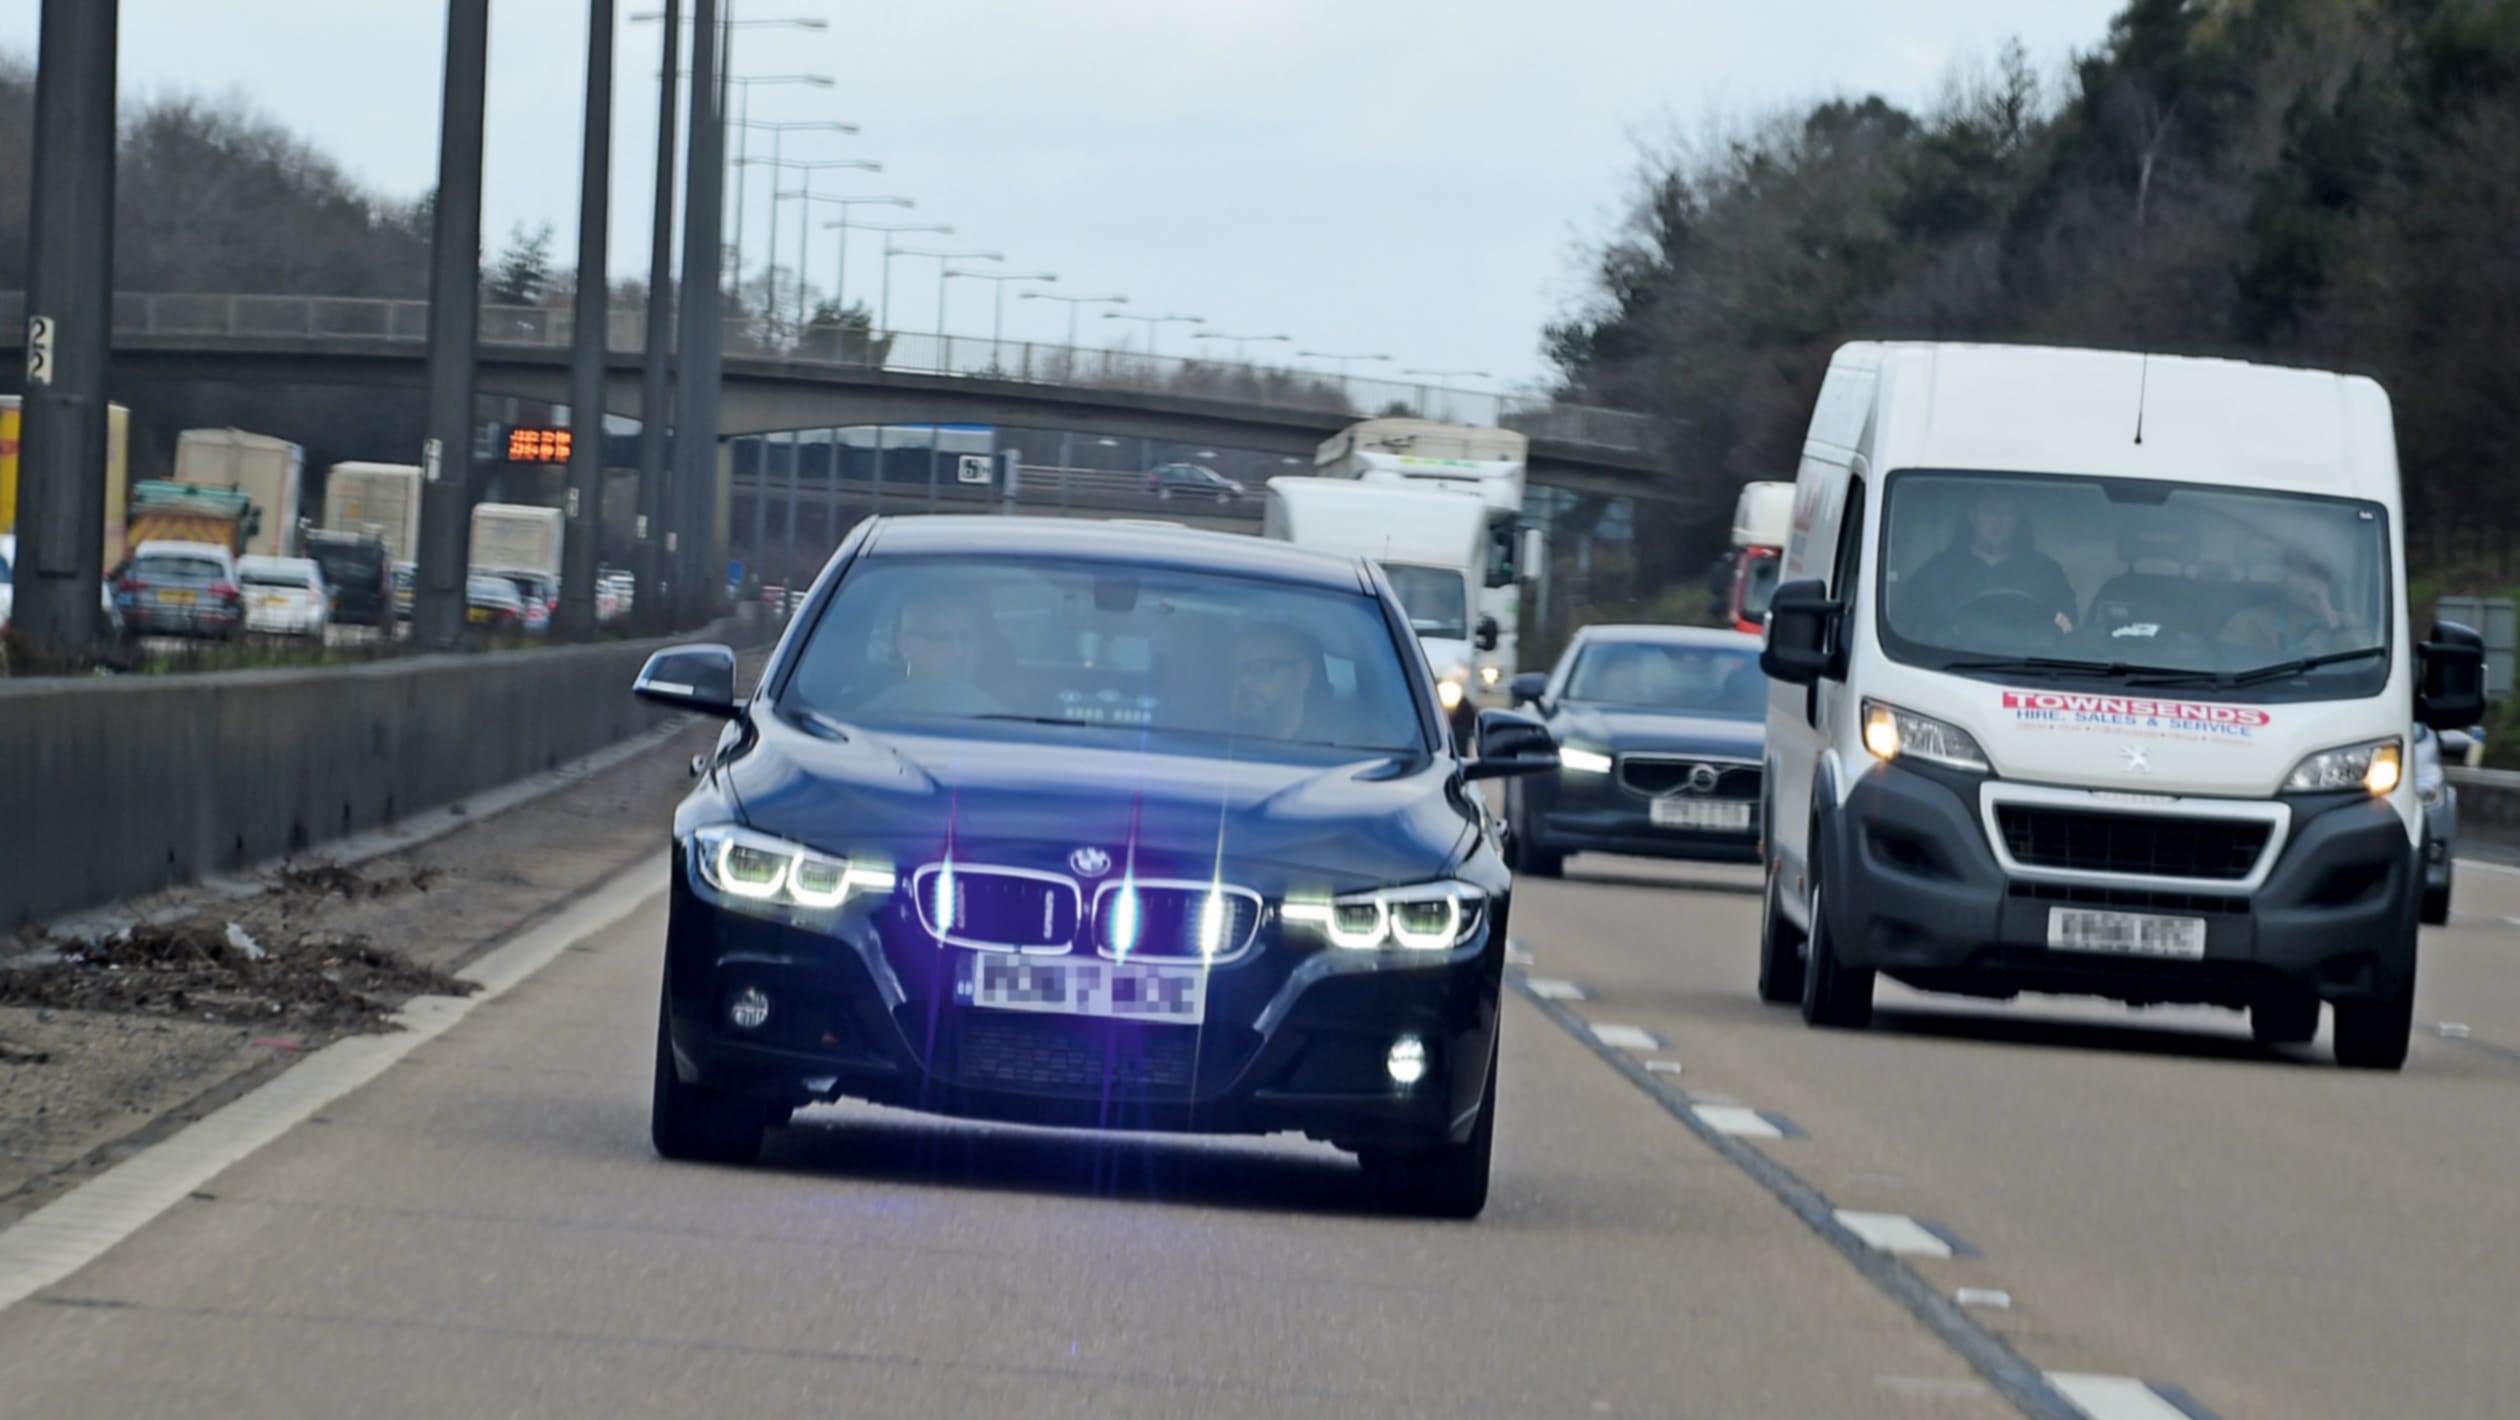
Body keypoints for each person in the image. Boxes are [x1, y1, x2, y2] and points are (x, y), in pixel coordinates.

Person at [1903, 487, 2078, 636]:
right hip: (1951, 662)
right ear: (1972, 517)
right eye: (1989, 511)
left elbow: (2067, 628)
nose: (1998, 520)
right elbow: (1913, 626)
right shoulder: (1938, 571)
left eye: (2006, 512)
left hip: (2028, 662)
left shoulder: (2045, 573)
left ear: (2017, 518)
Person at [858, 582, 1011, 717]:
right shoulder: (865, 724)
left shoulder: (1006, 724)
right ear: (905, 646)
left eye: (967, 637)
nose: (958, 651)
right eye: (941, 638)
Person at [2221, 548, 2361, 655]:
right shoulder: (2246, 621)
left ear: (2326, 582)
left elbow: (2360, 668)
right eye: (2297, 571)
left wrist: (2328, 615)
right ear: (2283, 576)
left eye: (2315, 572)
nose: (2307, 580)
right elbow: (2225, 664)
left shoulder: (2348, 626)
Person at [1231, 620, 1322, 741]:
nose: (1242, 681)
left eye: (1260, 669)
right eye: (1235, 670)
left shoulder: (1328, 746)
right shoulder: (1212, 740)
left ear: (1302, 674)